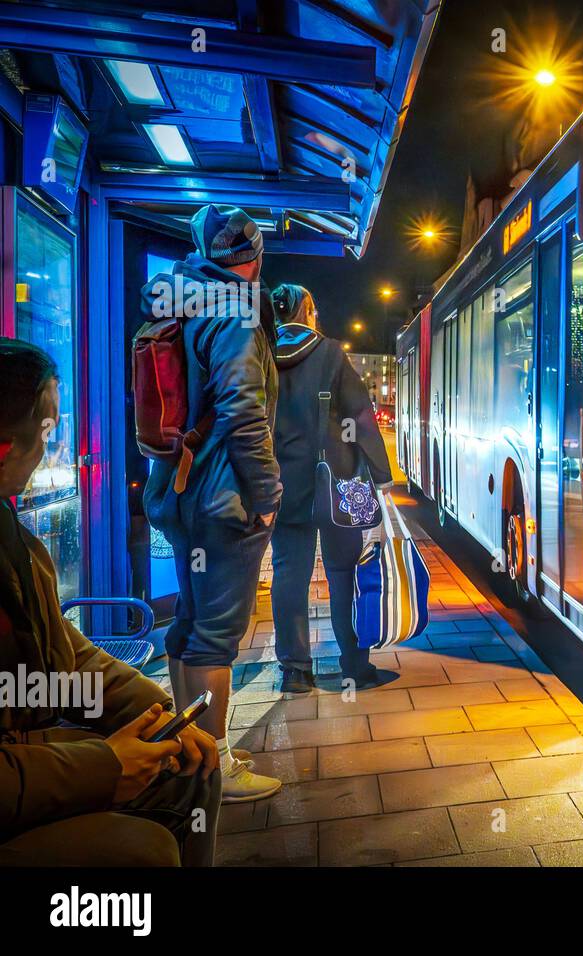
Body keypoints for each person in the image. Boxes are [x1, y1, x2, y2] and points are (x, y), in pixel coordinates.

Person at [0, 339, 220, 865]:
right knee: (140, 852)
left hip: (31, 757)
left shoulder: (14, 536)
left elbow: (66, 656)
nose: (54, 453)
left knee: (192, 768)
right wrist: (105, 766)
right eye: (50, 431)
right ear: (5, 442)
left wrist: (162, 713)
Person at [142, 204, 282, 803]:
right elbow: (243, 411)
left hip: (177, 491)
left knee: (190, 624)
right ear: (252, 261)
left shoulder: (177, 301)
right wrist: (269, 494)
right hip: (223, 500)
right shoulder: (237, 314)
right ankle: (214, 767)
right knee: (218, 637)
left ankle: (188, 746)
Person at [269, 284, 394, 693]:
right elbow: (359, 416)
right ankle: (355, 664)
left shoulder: (261, 354)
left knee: (290, 573)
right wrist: (380, 474)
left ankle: (295, 670)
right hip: (335, 483)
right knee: (344, 573)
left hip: (282, 484)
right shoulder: (330, 353)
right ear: (308, 312)